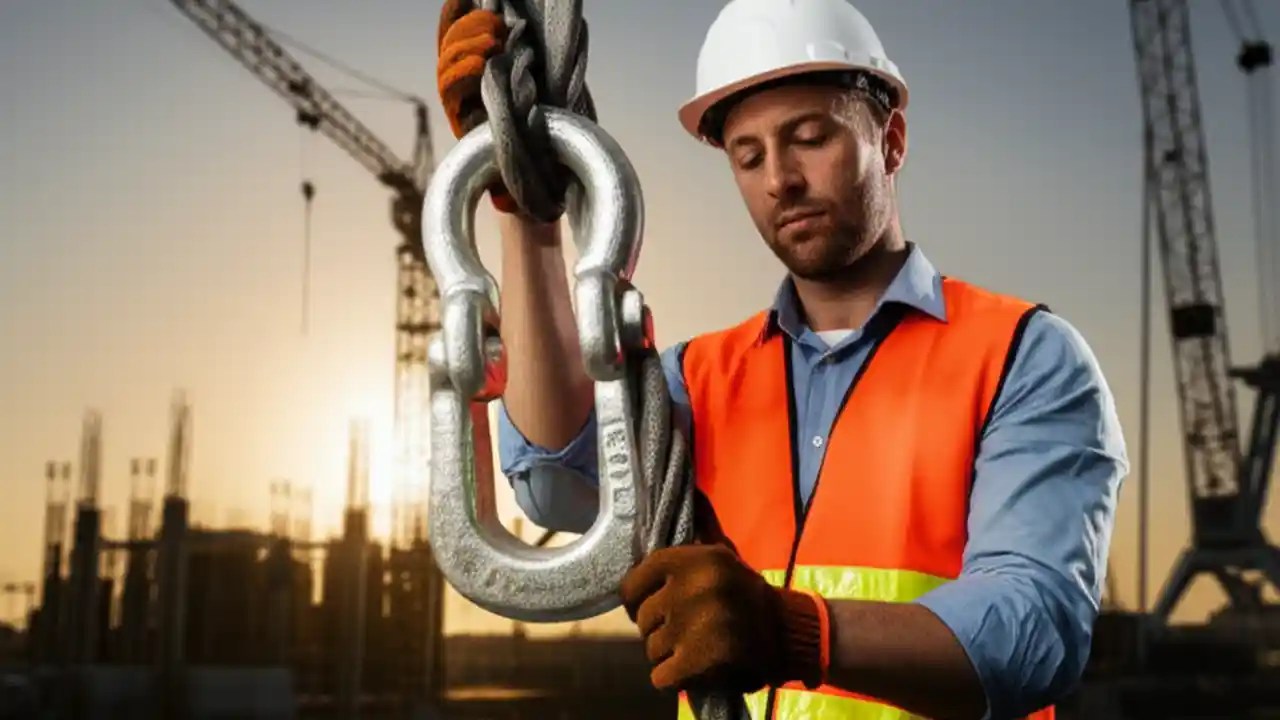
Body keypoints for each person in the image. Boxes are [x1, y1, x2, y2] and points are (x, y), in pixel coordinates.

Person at [436, 1, 1129, 718]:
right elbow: (556, 481)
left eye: (809, 139)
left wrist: (796, 634)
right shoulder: (697, 381)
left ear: (891, 140)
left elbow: (1034, 633)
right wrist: (522, 196)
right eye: (750, 156)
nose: (780, 180)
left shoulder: (1022, 358)